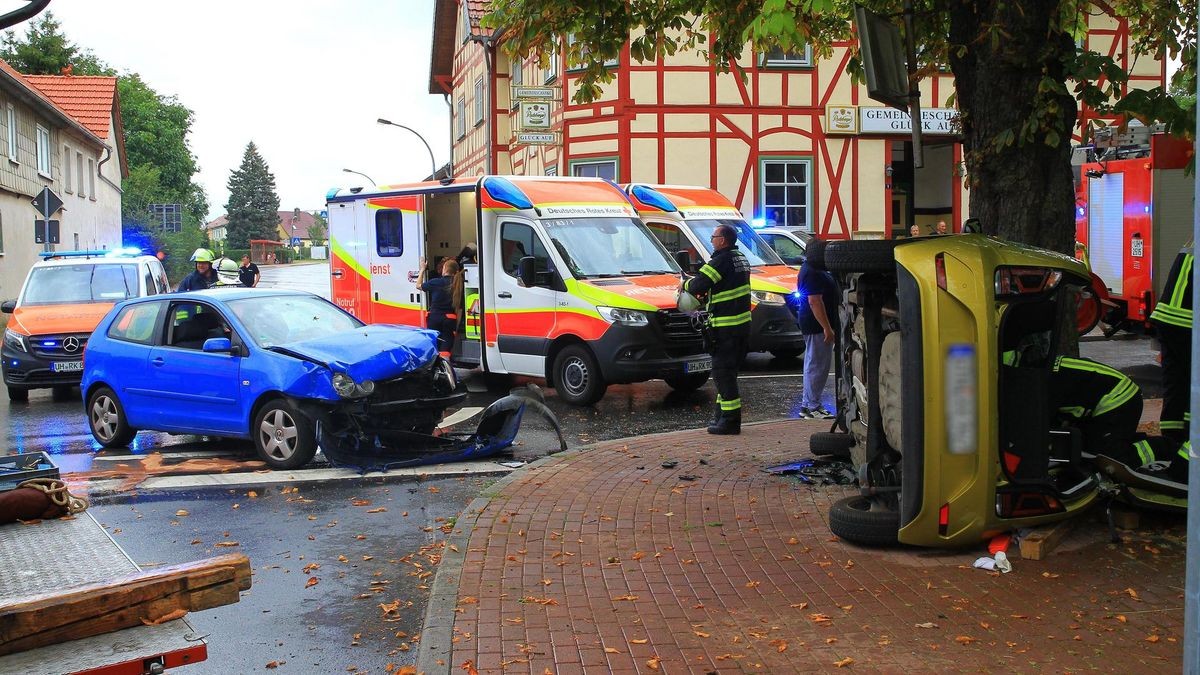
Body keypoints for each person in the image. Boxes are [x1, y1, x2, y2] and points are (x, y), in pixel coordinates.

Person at [684, 224, 751, 435]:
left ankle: (730, 421)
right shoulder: (740, 257)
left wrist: (684, 285)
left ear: (722, 240)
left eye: (713, 236)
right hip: (741, 326)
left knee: (723, 374)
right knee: (728, 374)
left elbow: (697, 285)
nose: (711, 240)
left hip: (726, 326)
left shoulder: (720, 260)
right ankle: (721, 416)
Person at [1149, 240, 1193, 481]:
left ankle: (1170, 447)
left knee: (1177, 387)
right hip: (1189, 323)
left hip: (1169, 320)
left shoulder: (1194, 235)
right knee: (1192, 392)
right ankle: (1185, 464)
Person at [796, 239, 838, 419]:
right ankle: (812, 406)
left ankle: (809, 404)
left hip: (813, 323)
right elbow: (815, 302)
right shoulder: (812, 272)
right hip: (816, 325)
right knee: (817, 366)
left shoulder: (813, 269)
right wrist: (827, 328)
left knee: (814, 364)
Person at [420, 257, 464, 353]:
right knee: (445, 350)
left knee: (434, 346)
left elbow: (418, 285)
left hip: (434, 318)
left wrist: (422, 269)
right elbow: (459, 310)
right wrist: (456, 328)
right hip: (450, 319)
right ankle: (446, 365)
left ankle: (435, 365)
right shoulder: (458, 285)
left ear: (444, 269)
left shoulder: (435, 282)